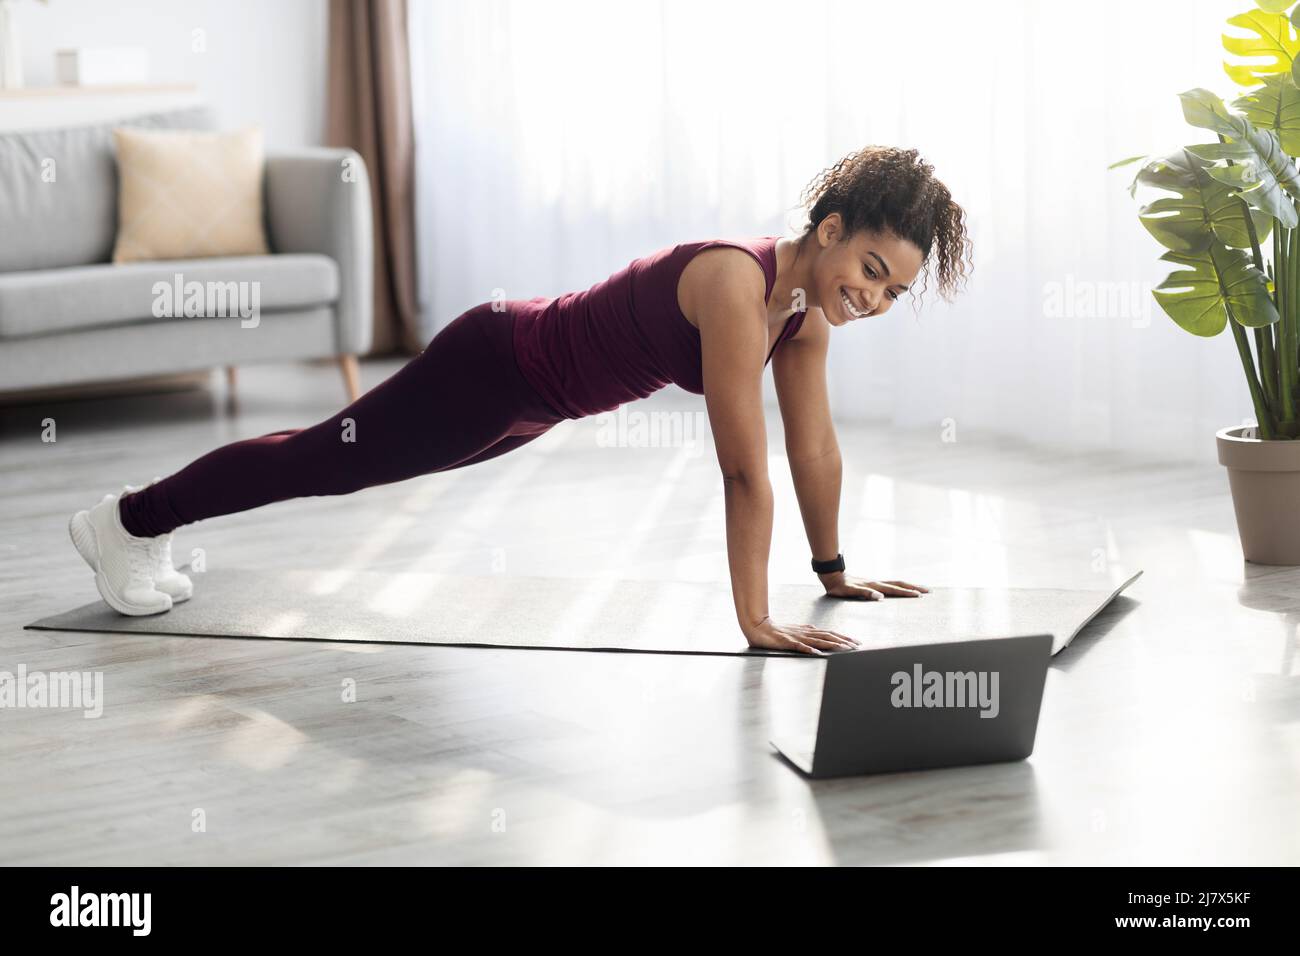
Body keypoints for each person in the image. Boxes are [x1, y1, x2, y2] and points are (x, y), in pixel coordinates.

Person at [68, 145, 973, 656]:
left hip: (530, 407)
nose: (875, 298)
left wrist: (832, 574)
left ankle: (146, 522)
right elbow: (744, 468)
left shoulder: (802, 312)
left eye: (894, 291)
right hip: (495, 366)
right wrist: (753, 622)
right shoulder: (739, 287)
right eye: (870, 270)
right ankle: (128, 522)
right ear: (829, 231)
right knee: (321, 461)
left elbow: (811, 452)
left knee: (325, 457)